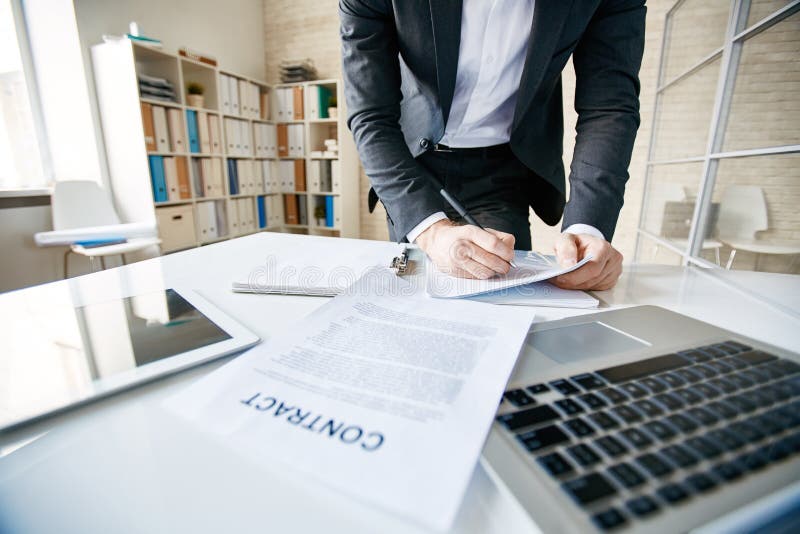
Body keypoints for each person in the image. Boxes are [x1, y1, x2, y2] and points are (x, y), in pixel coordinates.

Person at [340, 0, 646, 290]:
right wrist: (431, 232)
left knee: (499, 288)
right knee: (418, 292)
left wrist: (587, 230)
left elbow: (609, 107)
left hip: (502, 172)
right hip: (413, 168)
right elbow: (371, 114)